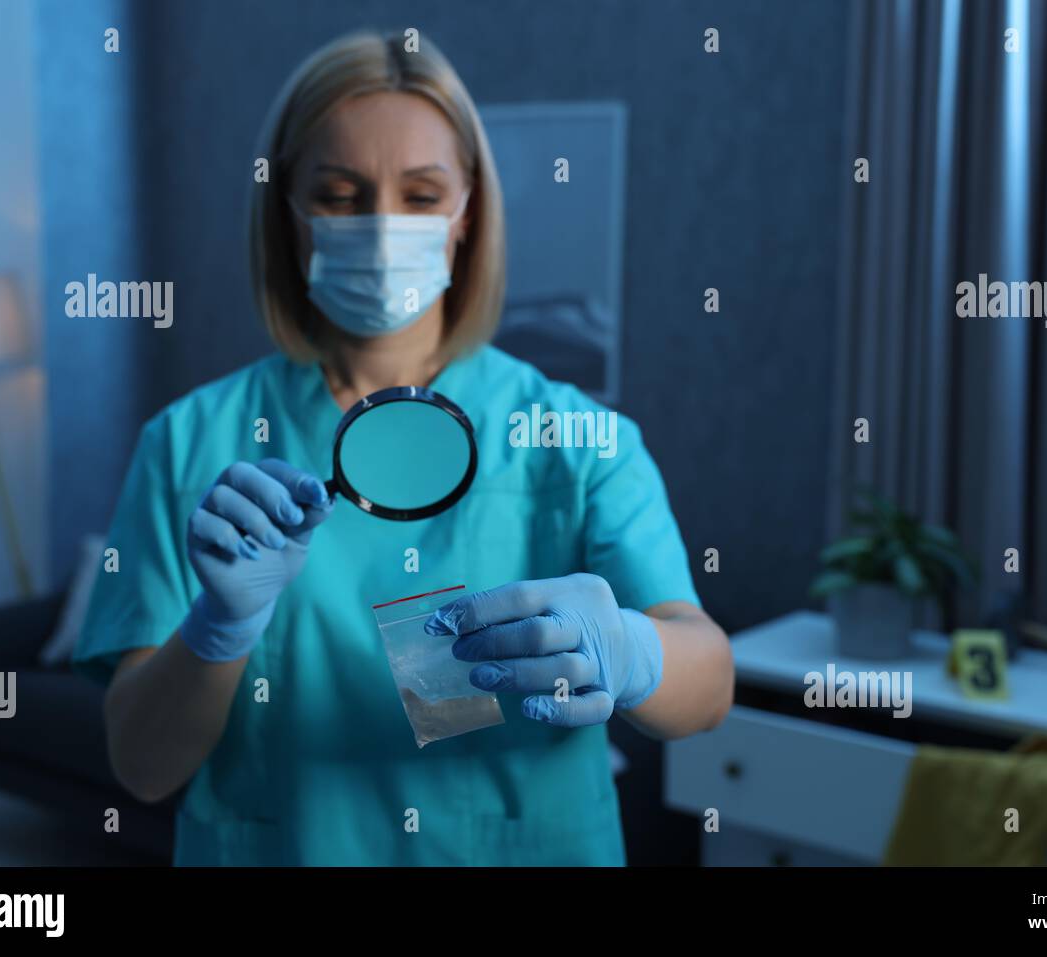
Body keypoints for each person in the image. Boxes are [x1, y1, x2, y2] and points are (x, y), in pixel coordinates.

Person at [74, 29, 733, 866]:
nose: (383, 228)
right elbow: (141, 766)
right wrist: (218, 628)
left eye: (421, 196)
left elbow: (708, 686)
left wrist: (634, 651)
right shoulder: (187, 442)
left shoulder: (575, 437)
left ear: (468, 216)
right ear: (289, 212)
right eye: (341, 194)